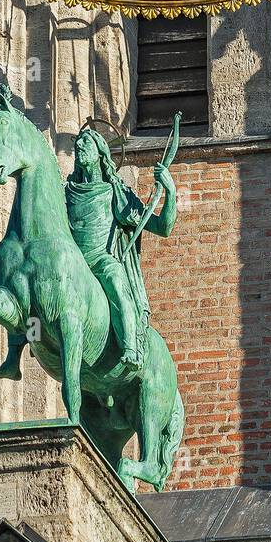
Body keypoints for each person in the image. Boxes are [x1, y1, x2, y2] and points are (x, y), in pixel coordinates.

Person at [65, 124, 176, 370]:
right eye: (77, 144)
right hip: (71, 263)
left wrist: (170, 191)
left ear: (101, 154)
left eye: (86, 142)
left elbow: (162, 227)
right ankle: (33, 337)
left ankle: (131, 348)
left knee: (116, 281)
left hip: (100, 259)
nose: (79, 146)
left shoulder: (115, 192)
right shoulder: (68, 192)